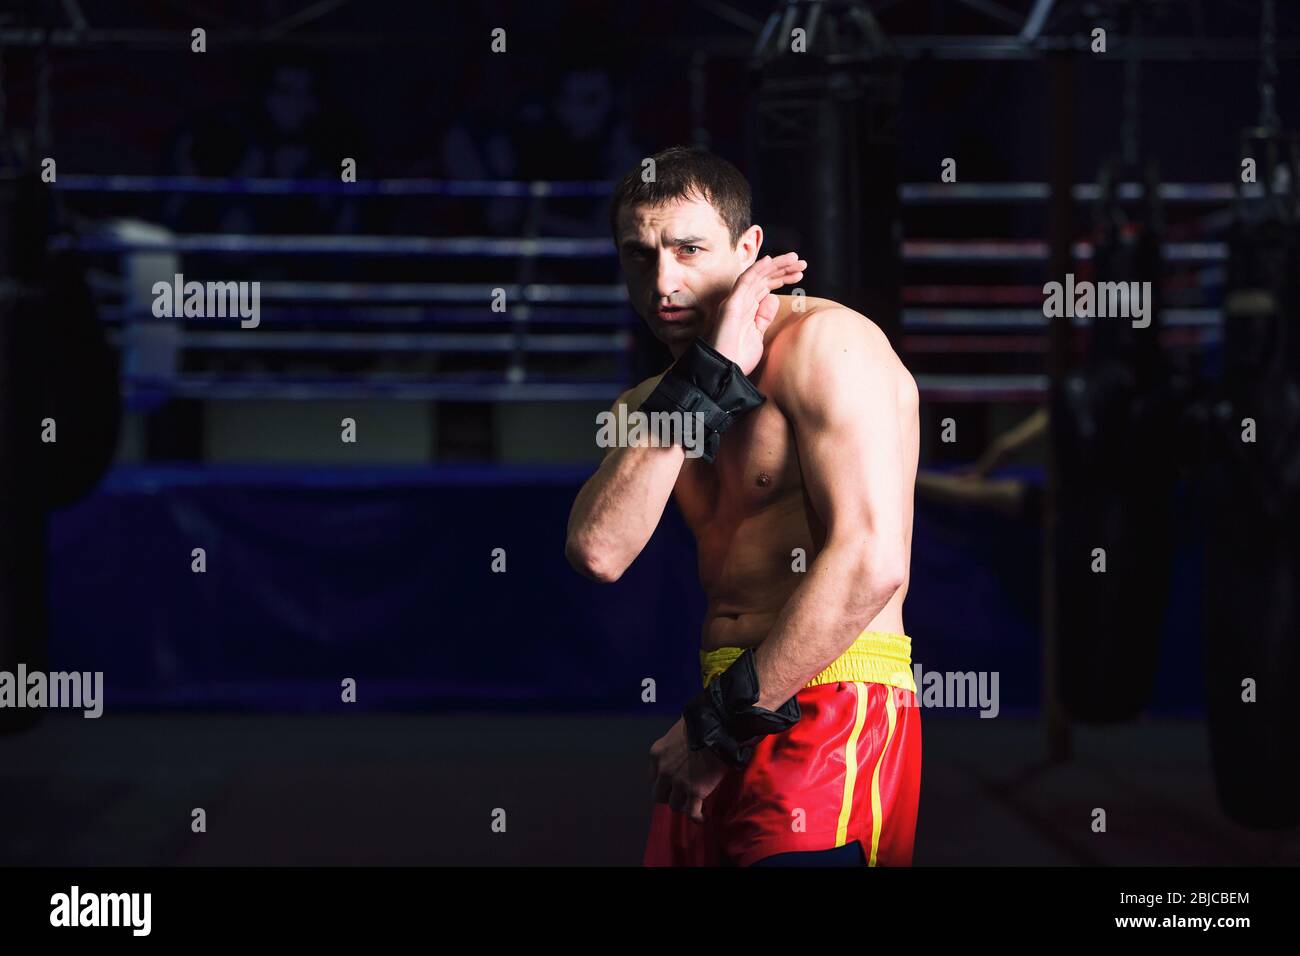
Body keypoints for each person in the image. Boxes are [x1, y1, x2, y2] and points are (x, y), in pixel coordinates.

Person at [565, 146, 921, 866]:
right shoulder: (650, 406)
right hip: (723, 701)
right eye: (641, 256)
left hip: (830, 699)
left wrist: (717, 727)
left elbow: (872, 565)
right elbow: (599, 551)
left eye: (689, 249)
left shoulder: (830, 343)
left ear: (748, 247)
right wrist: (707, 376)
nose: (665, 282)